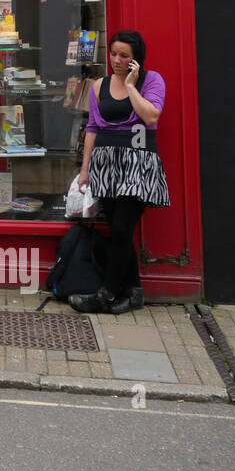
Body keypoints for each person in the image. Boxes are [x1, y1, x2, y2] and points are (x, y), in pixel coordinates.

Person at [70, 29, 171, 315]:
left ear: (136, 58)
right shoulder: (98, 86)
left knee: (122, 228)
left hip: (138, 163)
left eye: (124, 56)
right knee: (118, 230)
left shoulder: (152, 81)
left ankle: (107, 293)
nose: (116, 60)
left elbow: (151, 115)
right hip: (106, 164)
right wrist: (85, 168)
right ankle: (135, 291)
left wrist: (130, 86)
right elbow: (92, 127)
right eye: (113, 54)